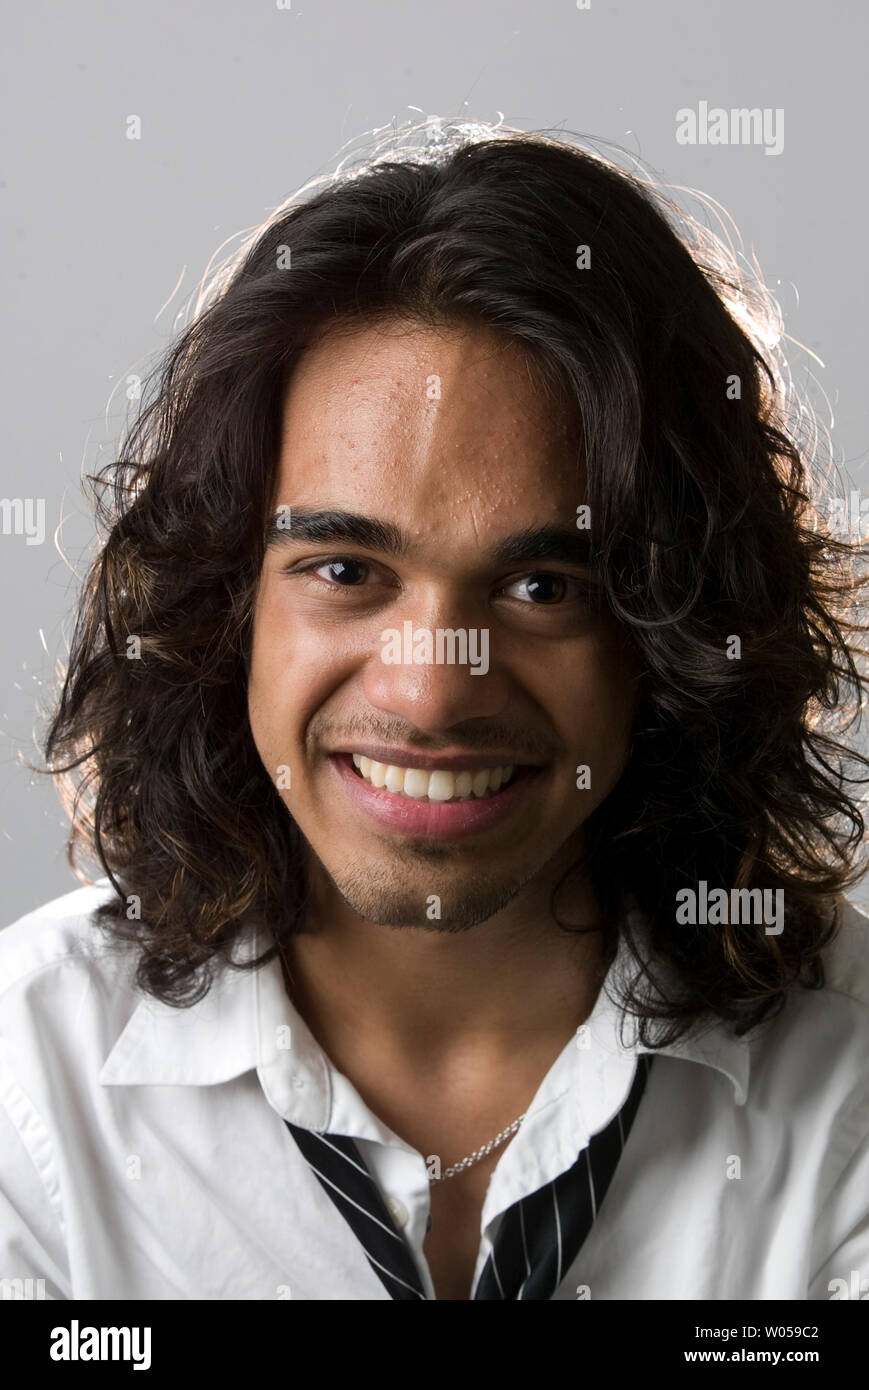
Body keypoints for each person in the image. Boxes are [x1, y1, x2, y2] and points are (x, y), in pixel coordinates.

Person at [2, 120, 868, 1302]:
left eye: (541, 587)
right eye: (346, 569)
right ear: (228, 604)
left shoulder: (846, 1079)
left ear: (666, 633)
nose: (428, 687)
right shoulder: (26, 1083)